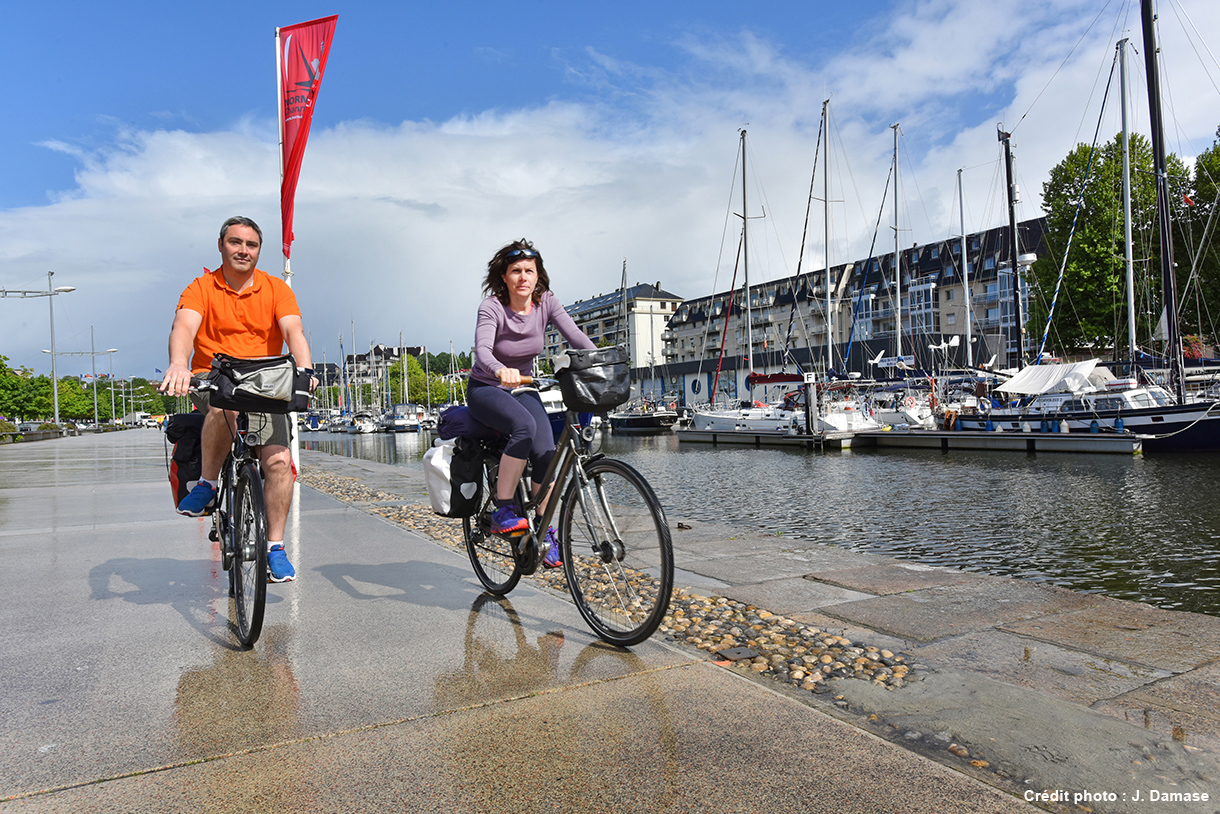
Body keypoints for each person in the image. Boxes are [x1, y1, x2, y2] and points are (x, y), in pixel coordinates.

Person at [159, 216, 317, 583]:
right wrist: (179, 364)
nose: (243, 250)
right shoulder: (201, 287)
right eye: (235, 242)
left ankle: (275, 547)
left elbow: (293, 330)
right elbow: (183, 326)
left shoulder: (275, 288)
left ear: (259, 250)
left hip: (264, 380)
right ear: (221, 246)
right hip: (214, 376)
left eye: (251, 245)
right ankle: (208, 484)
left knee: (279, 462)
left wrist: (305, 370)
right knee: (221, 406)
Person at [467, 239, 596, 568]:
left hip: (524, 387)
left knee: (545, 452)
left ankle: (542, 526)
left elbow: (577, 337)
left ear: (538, 276)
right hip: (487, 387)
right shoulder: (492, 307)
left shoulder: (546, 303)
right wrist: (499, 369)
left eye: (529, 271)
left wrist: (600, 361)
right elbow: (483, 350)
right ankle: (503, 509)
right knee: (523, 427)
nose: (523, 277)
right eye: (516, 271)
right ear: (504, 277)